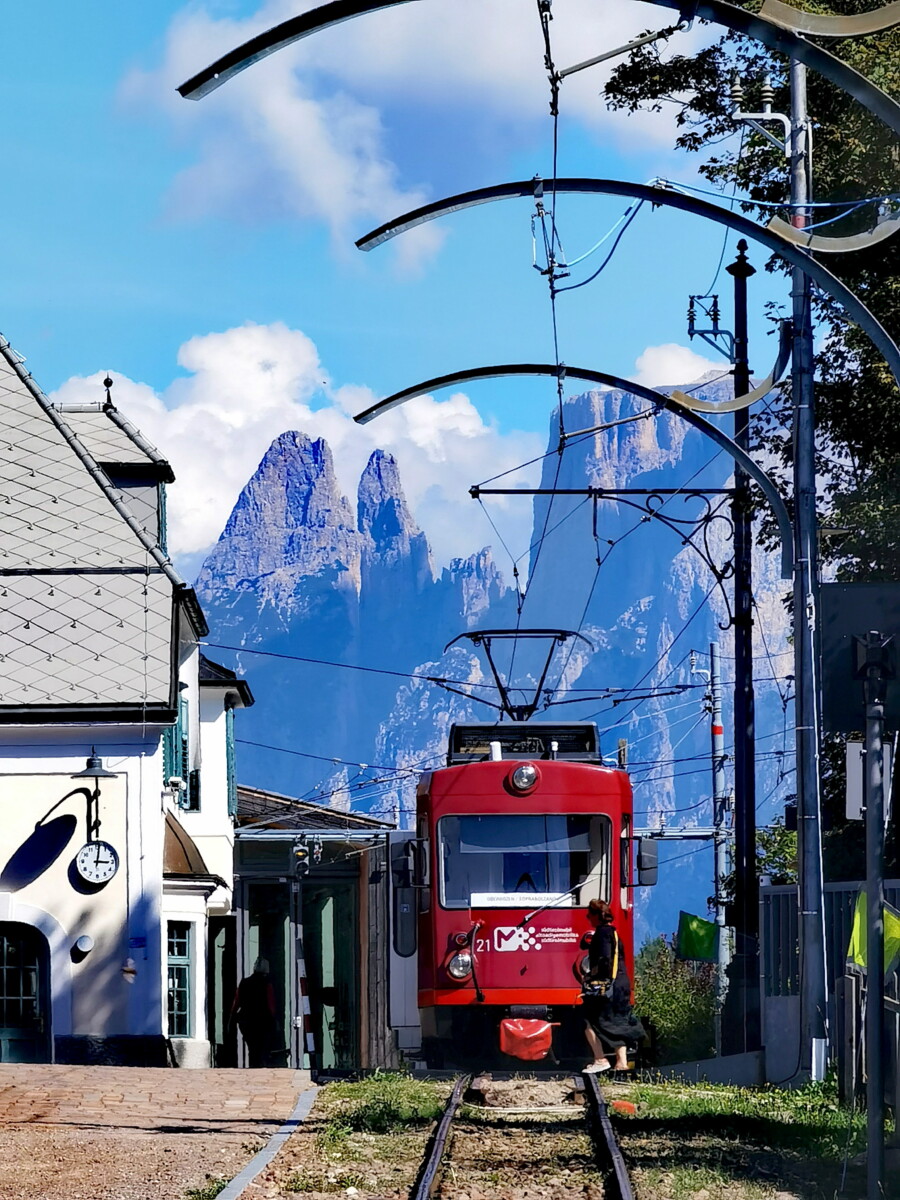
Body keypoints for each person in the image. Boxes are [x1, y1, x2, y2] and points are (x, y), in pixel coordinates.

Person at [580, 898, 644, 1075]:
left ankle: (600, 1059)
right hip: (621, 984)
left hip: (609, 986)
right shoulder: (614, 932)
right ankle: (621, 1062)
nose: (587, 918)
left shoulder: (602, 933)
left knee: (589, 1021)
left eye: (588, 915)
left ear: (595, 916)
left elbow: (605, 959)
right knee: (617, 1021)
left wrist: (592, 974)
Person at [230, 957, 277, 1067]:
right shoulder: (267, 984)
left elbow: (236, 1002)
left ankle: (253, 1066)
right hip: (263, 1020)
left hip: (246, 1020)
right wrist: (275, 1019)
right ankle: (261, 1067)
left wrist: (232, 1016)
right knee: (263, 1047)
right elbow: (271, 1003)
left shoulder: (244, 982)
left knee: (252, 1047)